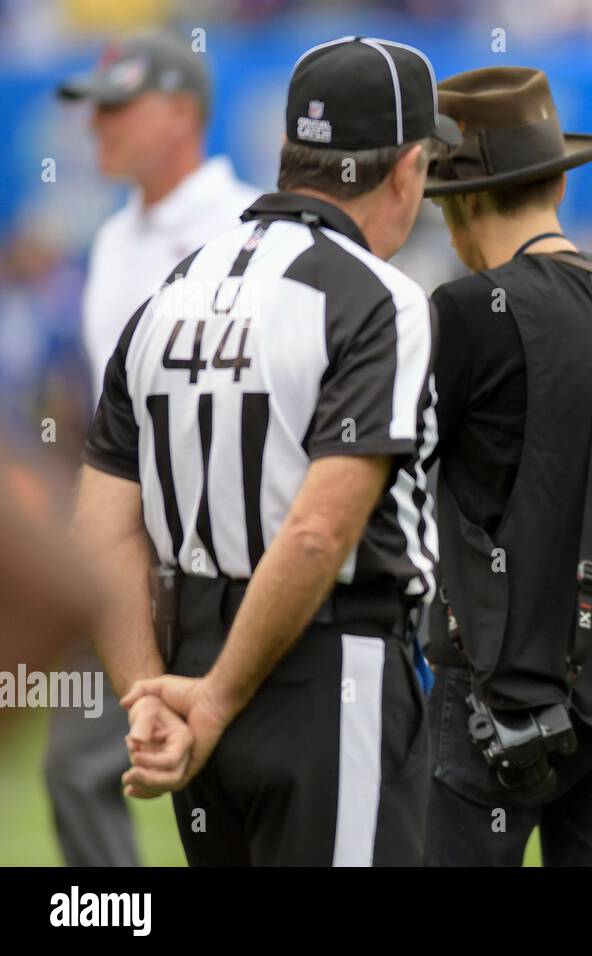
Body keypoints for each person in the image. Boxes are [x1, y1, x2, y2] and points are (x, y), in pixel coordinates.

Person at [73, 35, 462, 866]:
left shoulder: (167, 293)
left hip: (186, 664)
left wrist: (151, 695)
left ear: (292, 157)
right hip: (328, 668)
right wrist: (214, 700)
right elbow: (319, 533)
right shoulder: (378, 298)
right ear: (408, 168)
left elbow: (100, 535)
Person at [422, 66, 592, 866]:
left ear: (463, 201)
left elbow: (392, 485)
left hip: (497, 702)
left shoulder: (466, 311)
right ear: (556, 182)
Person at [47, 28, 260, 868]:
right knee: (80, 764)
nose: (97, 127)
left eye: (117, 108)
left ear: (181, 112)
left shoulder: (248, 223)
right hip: (131, 551)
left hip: (231, 557)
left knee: (234, 778)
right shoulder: (112, 240)